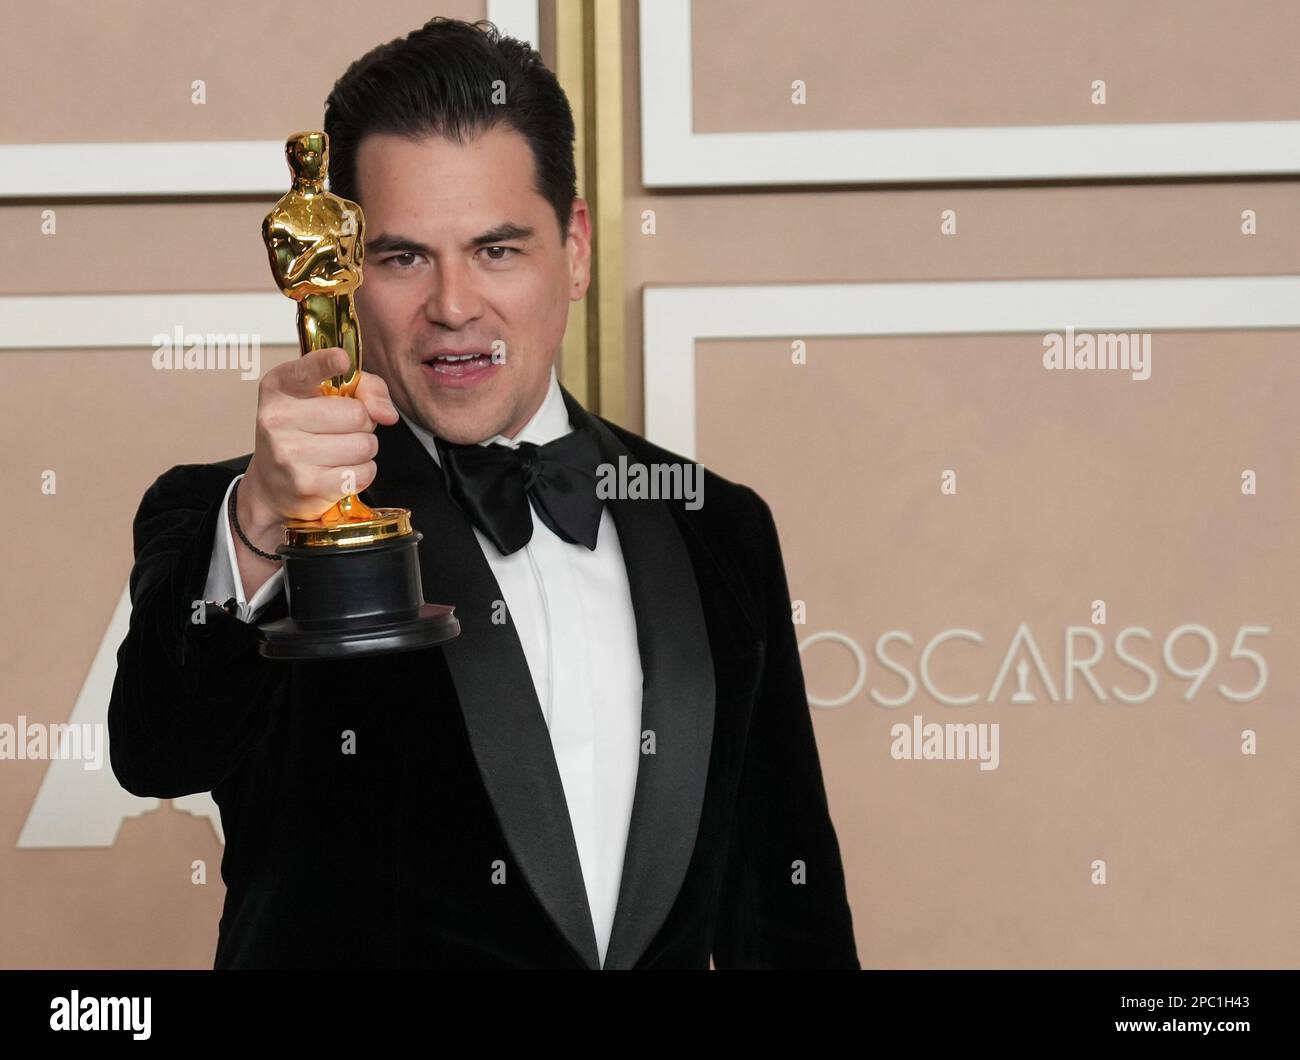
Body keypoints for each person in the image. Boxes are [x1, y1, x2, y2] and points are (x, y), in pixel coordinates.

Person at [108, 16, 858, 970]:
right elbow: (159, 752)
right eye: (403, 256)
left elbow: (789, 916)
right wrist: (262, 522)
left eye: (498, 250)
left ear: (575, 249)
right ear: (343, 270)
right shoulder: (241, 520)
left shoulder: (719, 525)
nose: (454, 306)